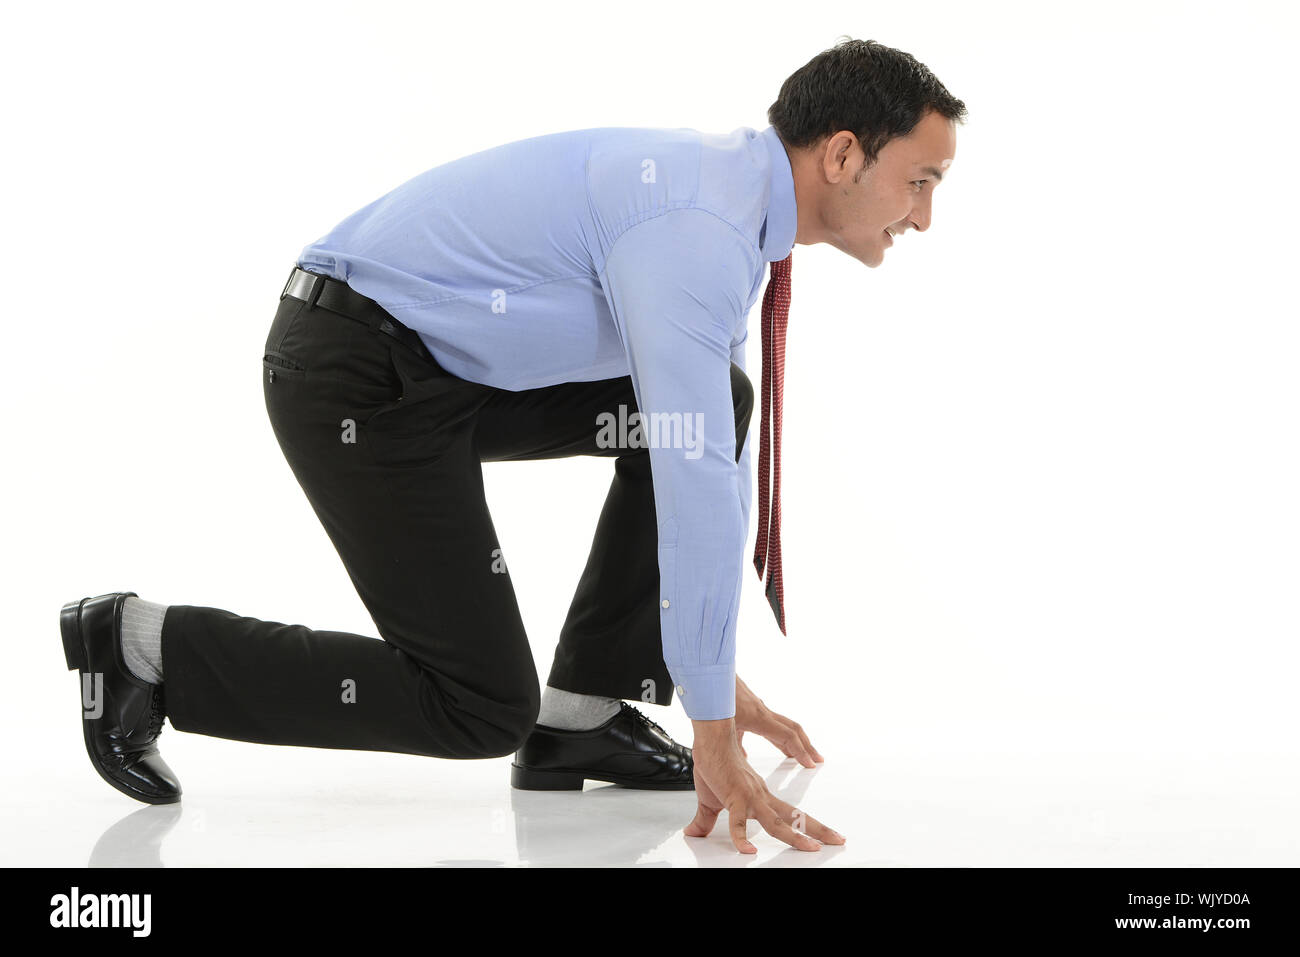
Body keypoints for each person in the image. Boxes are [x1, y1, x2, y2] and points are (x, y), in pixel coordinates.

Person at [61, 37, 964, 854]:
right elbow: (693, 486)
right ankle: (141, 646)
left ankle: (579, 713)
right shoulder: (698, 224)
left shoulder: (727, 208)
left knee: (710, 401)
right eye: (920, 181)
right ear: (842, 153)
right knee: (480, 706)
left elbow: (708, 462)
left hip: (444, 366)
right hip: (355, 369)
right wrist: (712, 725)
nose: (923, 217)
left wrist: (710, 676)